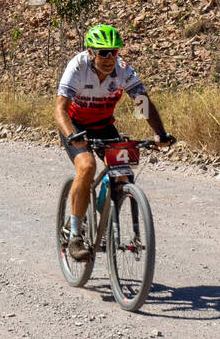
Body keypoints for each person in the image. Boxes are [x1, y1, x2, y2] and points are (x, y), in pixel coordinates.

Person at [54, 24, 172, 261]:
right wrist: (71, 135)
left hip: (104, 124)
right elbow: (60, 109)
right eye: (103, 52)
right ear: (91, 51)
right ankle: (76, 234)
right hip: (75, 126)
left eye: (114, 52)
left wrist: (160, 133)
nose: (109, 58)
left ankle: (99, 217)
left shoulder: (123, 71)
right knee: (87, 167)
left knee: (122, 174)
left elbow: (143, 103)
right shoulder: (78, 66)